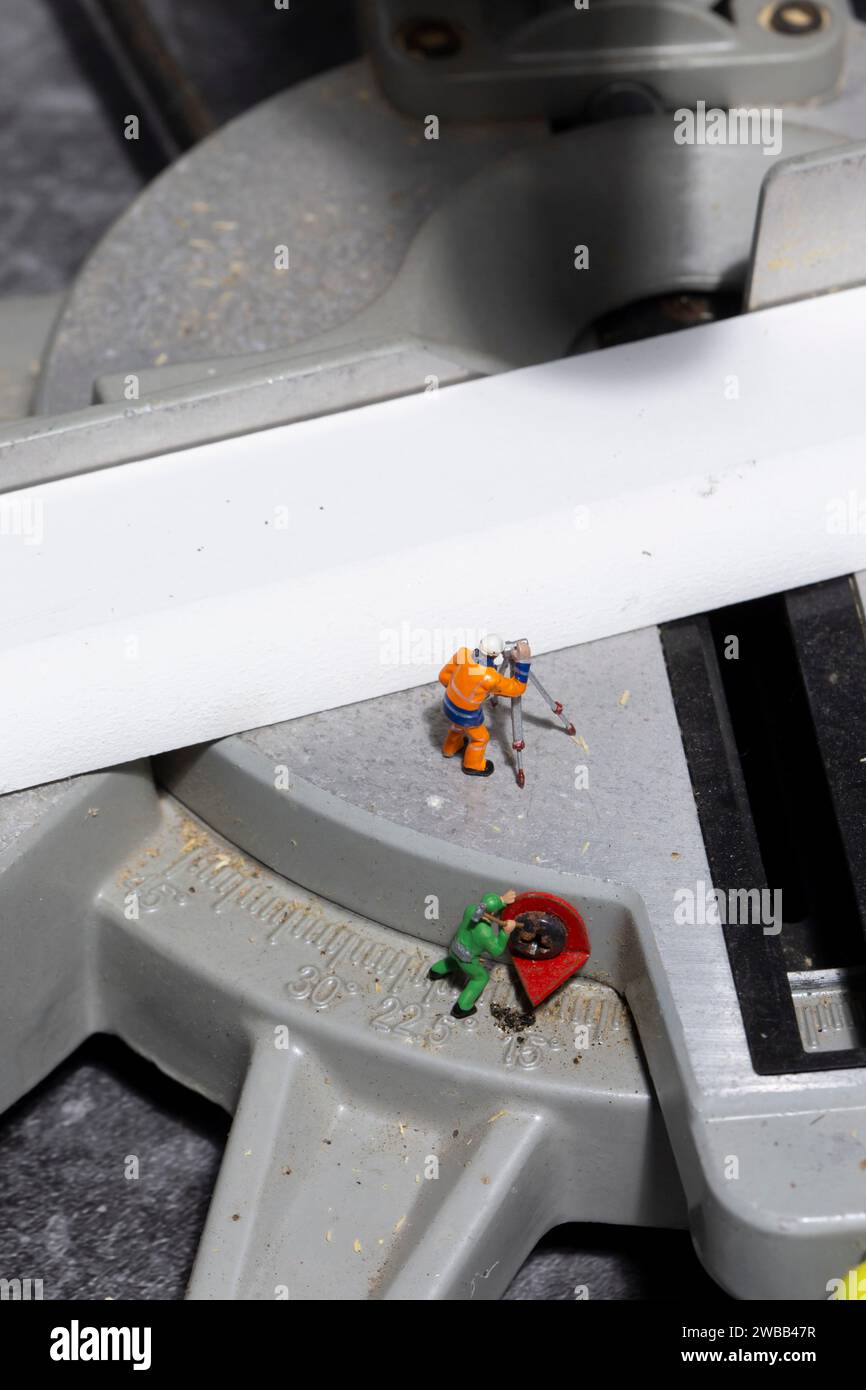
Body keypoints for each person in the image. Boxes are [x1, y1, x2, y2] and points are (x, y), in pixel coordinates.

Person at [438, 635, 531, 777]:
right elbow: (516, 689)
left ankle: (449, 748)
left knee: (457, 725)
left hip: (448, 703)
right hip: (466, 714)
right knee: (481, 738)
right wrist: (523, 661)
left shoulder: (463, 654)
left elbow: (444, 676)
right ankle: (472, 765)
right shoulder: (490, 677)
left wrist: (458, 691)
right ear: (497, 654)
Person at [428, 889, 518, 1018]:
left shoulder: (470, 910)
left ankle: (435, 971)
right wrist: (506, 933)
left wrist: (502, 901)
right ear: (492, 913)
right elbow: (497, 951)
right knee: (481, 978)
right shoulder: (485, 933)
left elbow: (485, 908)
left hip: (454, 949)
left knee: (453, 961)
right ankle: (463, 1007)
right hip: (467, 960)